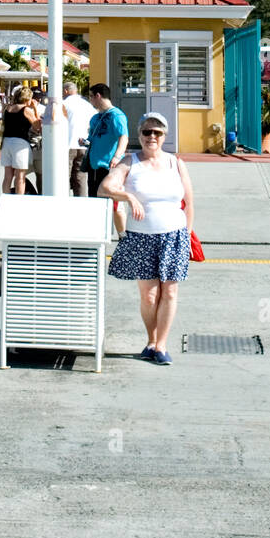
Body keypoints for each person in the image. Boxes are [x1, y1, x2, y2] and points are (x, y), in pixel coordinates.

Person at [99, 112, 194, 366]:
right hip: (141, 237)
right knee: (149, 295)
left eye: (157, 132)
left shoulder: (176, 163)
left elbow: (189, 204)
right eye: (147, 132)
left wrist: (186, 236)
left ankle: (161, 346)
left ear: (164, 136)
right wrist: (128, 197)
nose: (152, 137)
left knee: (170, 292)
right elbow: (104, 188)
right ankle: (151, 340)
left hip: (174, 235)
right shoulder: (130, 163)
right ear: (139, 135)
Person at [86, 84, 129, 232]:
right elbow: (92, 138)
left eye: (90, 96)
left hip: (109, 166)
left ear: (98, 96)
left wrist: (117, 156)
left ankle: (122, 235)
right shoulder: (96, 117)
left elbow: (123, 137)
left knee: (115, 204)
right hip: (94, 165)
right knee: (95, 202)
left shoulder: (116, 115)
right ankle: (98, 232)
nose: (90, 100)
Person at [0, 86, 41, 194]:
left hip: (6, 142)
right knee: (20, 176)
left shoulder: (8, 108)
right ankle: (19, 201)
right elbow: (37, 126)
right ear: (28, 98)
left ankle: (6, 198)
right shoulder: (26, 110)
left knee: (8, 176)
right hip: (20, 143)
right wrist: (35, 108)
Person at [63, 82, 95, 196]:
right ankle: (81, 202)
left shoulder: (64, 104)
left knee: (63, 178)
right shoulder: (87, 105)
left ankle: (63, 202)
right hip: (83, 145)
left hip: (67, 145)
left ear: (66, 91)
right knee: (81, 178)